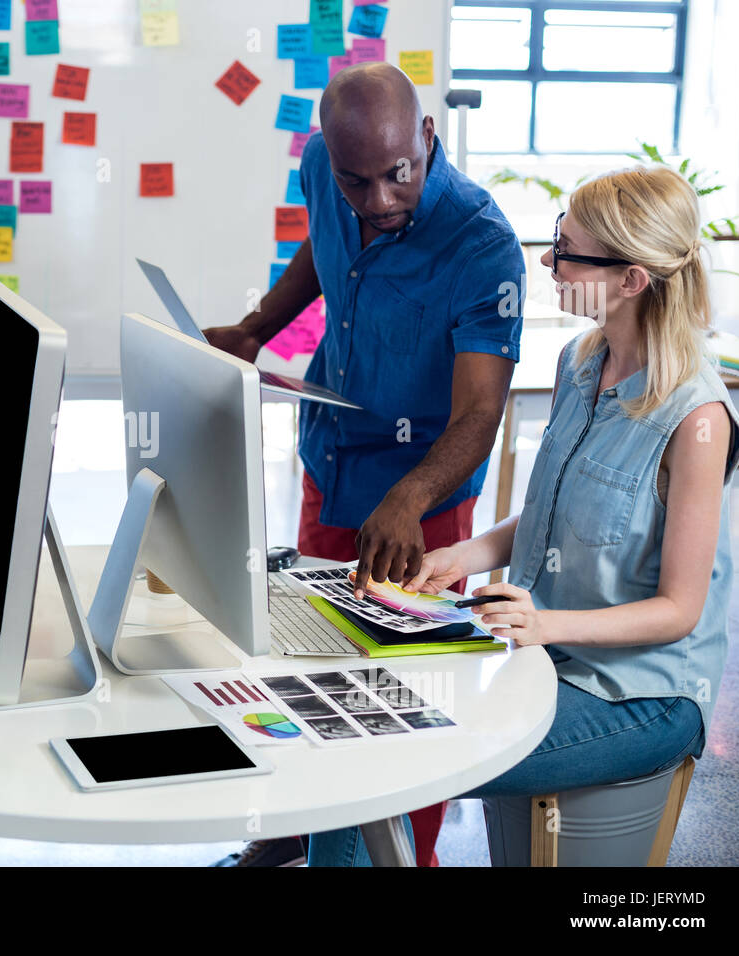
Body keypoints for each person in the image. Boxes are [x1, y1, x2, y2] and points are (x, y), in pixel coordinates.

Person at [308, 164, 739, 865]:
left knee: (375, 768)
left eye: (567, 250)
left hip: (642, 694)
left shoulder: (697, 417)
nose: (547, 260)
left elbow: (679, 610)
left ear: (631, 279)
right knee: (349, 736)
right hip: (546, 658)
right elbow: (549, 513)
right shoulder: (580, 361)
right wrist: (462, 557)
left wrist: (543, 623)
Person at [204, 62, 525, 867]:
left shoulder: (482, 246)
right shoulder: (324, 166)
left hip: (425, 501)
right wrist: (257, 326)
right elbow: (325, 242)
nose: (378, 201)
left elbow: (481, 413)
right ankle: (298, 836)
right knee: (310, 658)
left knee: (406, 698)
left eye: (397, 175)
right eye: (357, 181)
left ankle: (401, 857)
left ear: (427, 137)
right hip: (333, 458)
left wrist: (410, 495)